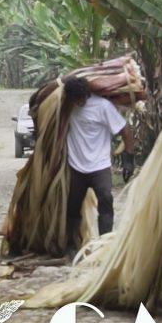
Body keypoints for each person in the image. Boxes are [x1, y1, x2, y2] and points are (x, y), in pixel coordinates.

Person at [63, 77, 135, 259]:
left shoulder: (102, 107)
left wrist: (128, 158)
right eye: (76, 99)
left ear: (87, 94)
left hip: (100, 165)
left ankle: (104, 244)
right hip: (76, 166)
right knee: (72, 206)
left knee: (105, 199)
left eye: (82, 98)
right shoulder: (67, 106)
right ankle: (71, 246)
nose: (80, 102)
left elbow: (124, 129)